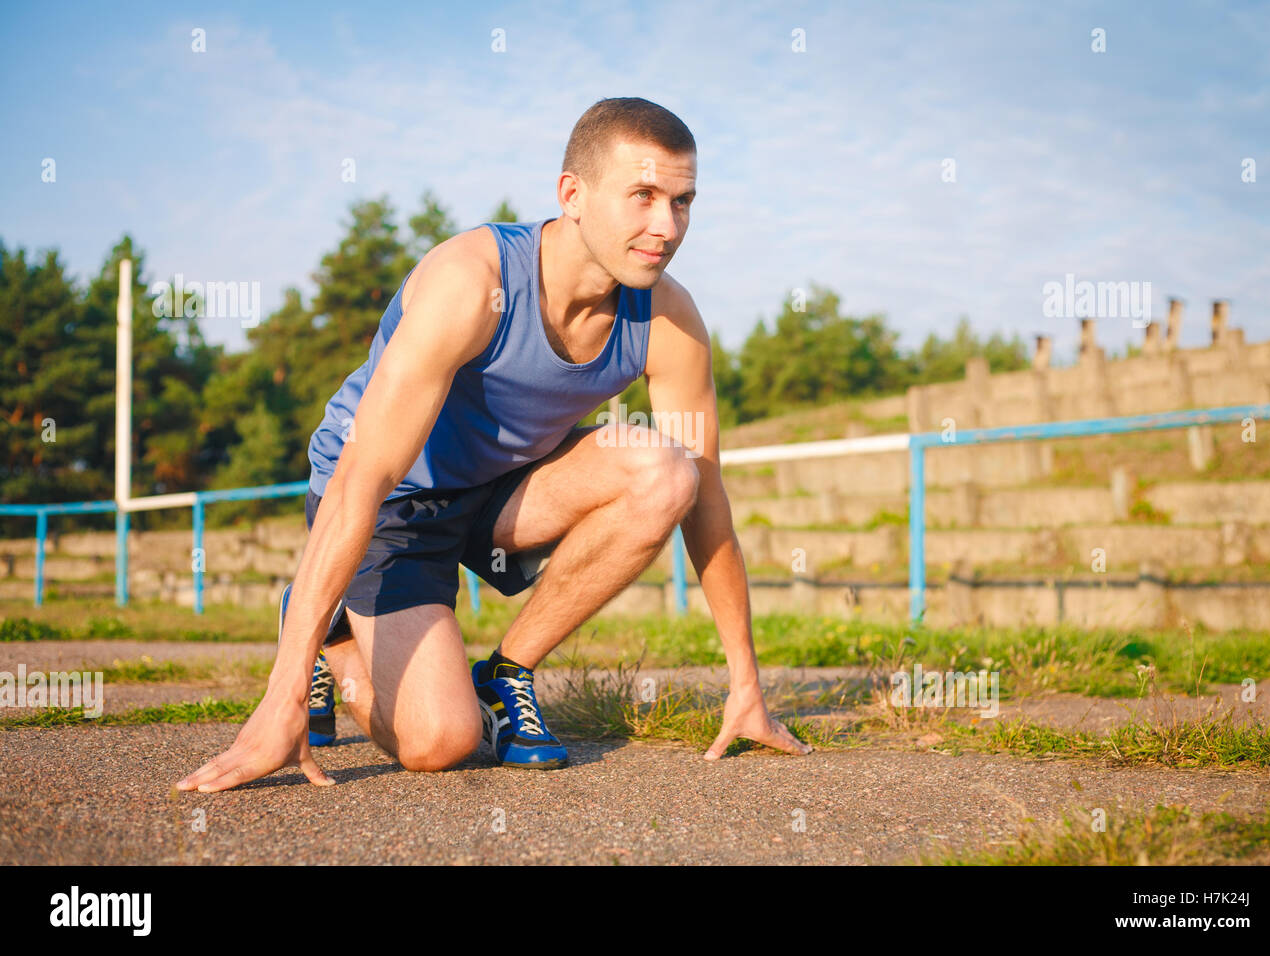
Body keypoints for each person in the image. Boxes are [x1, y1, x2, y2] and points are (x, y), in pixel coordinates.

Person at [176, 96, 812, 794]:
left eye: (683, 201)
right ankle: (333, 647)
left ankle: (508, 672)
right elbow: (362, 476)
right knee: (443, 741)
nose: (666, 226)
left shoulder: (667, 317)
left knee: (670, 472)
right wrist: (283, 695)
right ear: (572, 194)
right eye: (643, 196)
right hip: (396, 501)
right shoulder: (471, 282)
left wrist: (745, 684)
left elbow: (707, 498)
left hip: (505, 490)